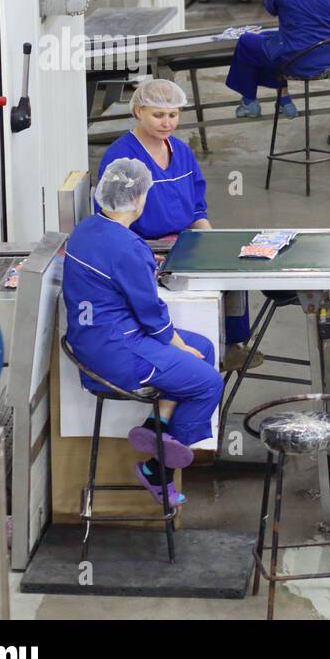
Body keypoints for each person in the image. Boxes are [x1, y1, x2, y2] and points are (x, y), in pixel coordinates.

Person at [64, 158, 224, 508]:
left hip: (91, 341)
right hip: (118, 352)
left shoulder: (86, 230)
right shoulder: (129, 248)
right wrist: (178, 345)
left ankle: (157, 428)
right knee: (209, 382)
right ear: (138, 199)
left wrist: (186, 348)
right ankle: (157, 470)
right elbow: (151, 314)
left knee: (206, 349)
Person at [97, 78, 252, 355]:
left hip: (183, 242)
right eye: (158, 115)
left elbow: (196, 207)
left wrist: (212, 243)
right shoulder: (121, 156)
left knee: (233, 271)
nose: (167, 123)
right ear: (138, 112)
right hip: (143, 246)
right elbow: (112, 218)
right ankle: (200, 347)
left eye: (173, 115)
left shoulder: (180, 151)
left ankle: (233, 344)